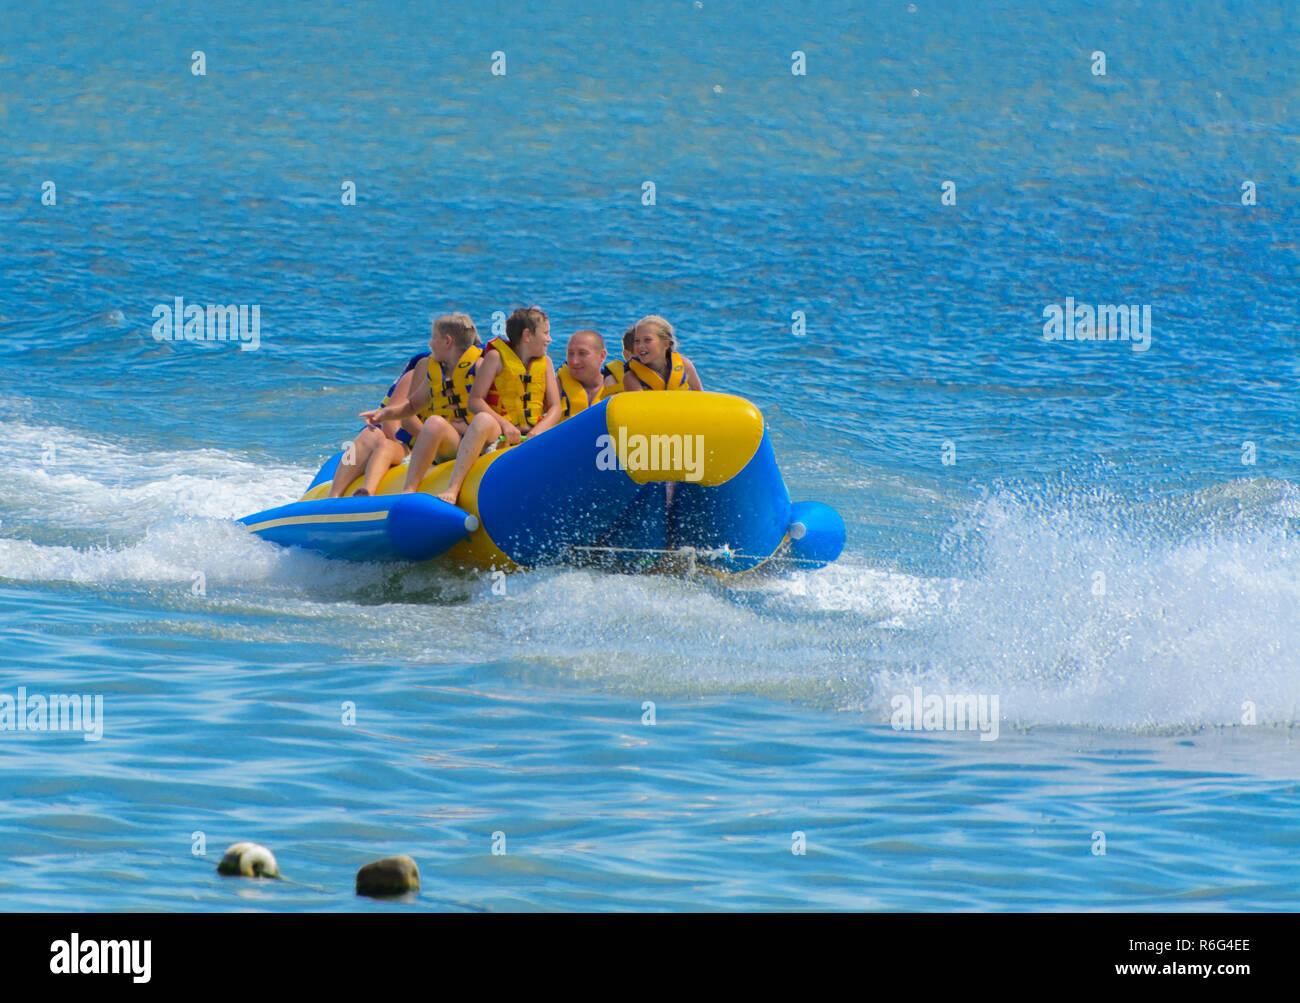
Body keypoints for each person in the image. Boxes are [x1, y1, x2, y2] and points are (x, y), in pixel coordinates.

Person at [433, 306, 562, 505]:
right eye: (545, 333)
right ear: (527, 335)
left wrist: (538, 432)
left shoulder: (546, 363)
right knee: (483, 419)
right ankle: (453, 488)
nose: (549, 339)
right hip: (499, 433)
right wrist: (505, 425)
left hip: (533, 434)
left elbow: (555, 408)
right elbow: (475, 401)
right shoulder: (495, 358)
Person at [359, 313, 482, 494]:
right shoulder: (434, 373)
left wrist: (467, 428)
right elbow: (411, 407)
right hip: (448, 443)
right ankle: (408, 491)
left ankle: (418, 489)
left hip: (477, 438)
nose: (430, 345)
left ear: (447, 341)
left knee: (479, 421)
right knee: (435, 423)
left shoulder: (480, 367)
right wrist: (383, 414)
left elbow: (493, 406)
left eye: (433, 339)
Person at [328, 349, 430, 497]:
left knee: (382, 443)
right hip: (401, 441)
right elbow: (391, 423)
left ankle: (367, 491)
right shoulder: (415, 376)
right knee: (370, 434)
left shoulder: (466, 379)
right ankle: (334, 498)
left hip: (425, 445)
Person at [623, 315, 703, 391]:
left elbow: (702, 399)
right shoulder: (631, 376)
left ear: (666, 344)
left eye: (647, 340)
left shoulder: (685, 366)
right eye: (637, 341)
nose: (640, 346)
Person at [556, 329, 618, 417]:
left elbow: (624, 428)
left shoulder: (618, 387)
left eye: (582, 353)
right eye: (570, 354)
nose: (574, 361)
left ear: (602, 356)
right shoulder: (557, 386)